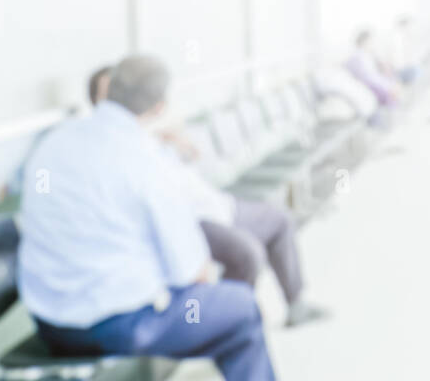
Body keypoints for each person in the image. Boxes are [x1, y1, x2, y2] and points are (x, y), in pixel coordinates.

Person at [17, 55, 333, 381]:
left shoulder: (54, 143)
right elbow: (192, 269)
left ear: (105, 90)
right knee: (238, 308)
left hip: (50, 323)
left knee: (202, 293)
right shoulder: (144, 157)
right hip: (114, 326)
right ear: (159, 109)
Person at [86, 65, 326, 329]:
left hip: (217, 204)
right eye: (110, 94)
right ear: (98, 103)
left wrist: (176, 143)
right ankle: (228, 325)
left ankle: (296, 304)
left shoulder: (149, 136)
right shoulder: (106, 150)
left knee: (279, 220)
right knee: (246, 254)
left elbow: (195, 160)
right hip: (189, 219)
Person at [345, 28, 402, 107]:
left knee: (394, 86)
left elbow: (375, 75)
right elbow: (369, 78)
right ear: (365, 41)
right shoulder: (359, 57)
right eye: (372, 41)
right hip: (370, 89)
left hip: (375, 86)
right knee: (393, 96)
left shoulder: (366, 55)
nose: (373, 44)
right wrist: (389, 87)